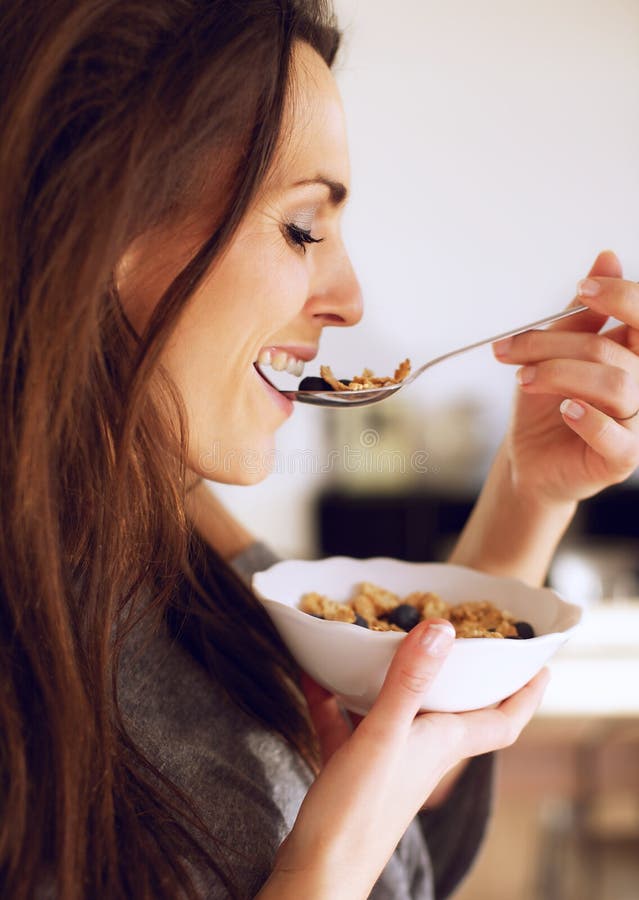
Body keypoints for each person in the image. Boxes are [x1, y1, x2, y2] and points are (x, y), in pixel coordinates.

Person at [1, 1, 638, 898]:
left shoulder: (177, 512)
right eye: (302, 227)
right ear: (96, 212)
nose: (349, 299)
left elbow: (385, 800)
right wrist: (319, 873)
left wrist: (529, 487)